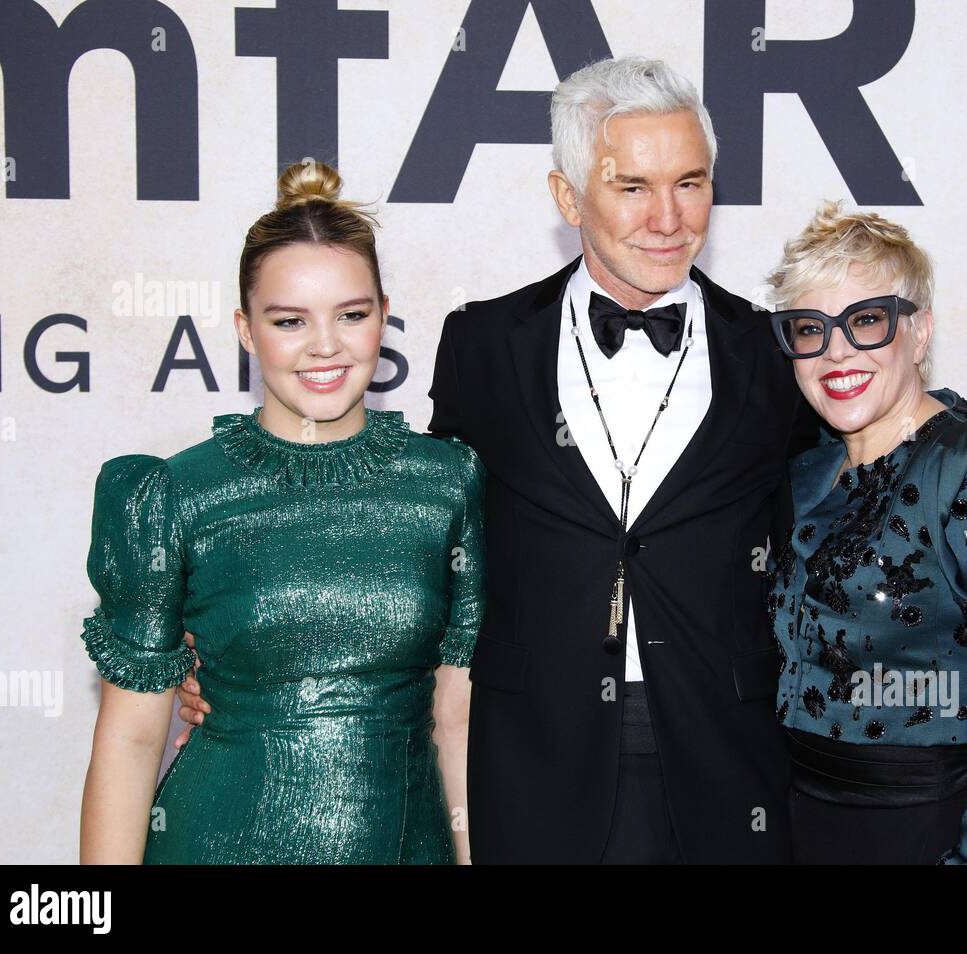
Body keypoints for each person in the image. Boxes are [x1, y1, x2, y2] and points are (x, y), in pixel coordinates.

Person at [417, 55, 815, 863]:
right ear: (569, 197)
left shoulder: (774, 354)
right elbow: (428, 541)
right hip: (532, 756)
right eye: (632, 187)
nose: (668, 218)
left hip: (727, 759)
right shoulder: (483, 346)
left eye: (691, 183)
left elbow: (832, 530)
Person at [78, 160, 483, 864]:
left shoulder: (446, 484)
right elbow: (131, 739)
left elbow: (459, 719)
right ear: (244, 329)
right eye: (289, 320)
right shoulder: (174, 495)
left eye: (351, 315)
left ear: (384, 316)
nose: (324, 345)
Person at [764, 200, 967, 864]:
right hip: (797, 822)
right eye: (809, 329)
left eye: (866, 321)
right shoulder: (803, 470)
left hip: (920, 826)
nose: (836, 352)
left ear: (919, 331)